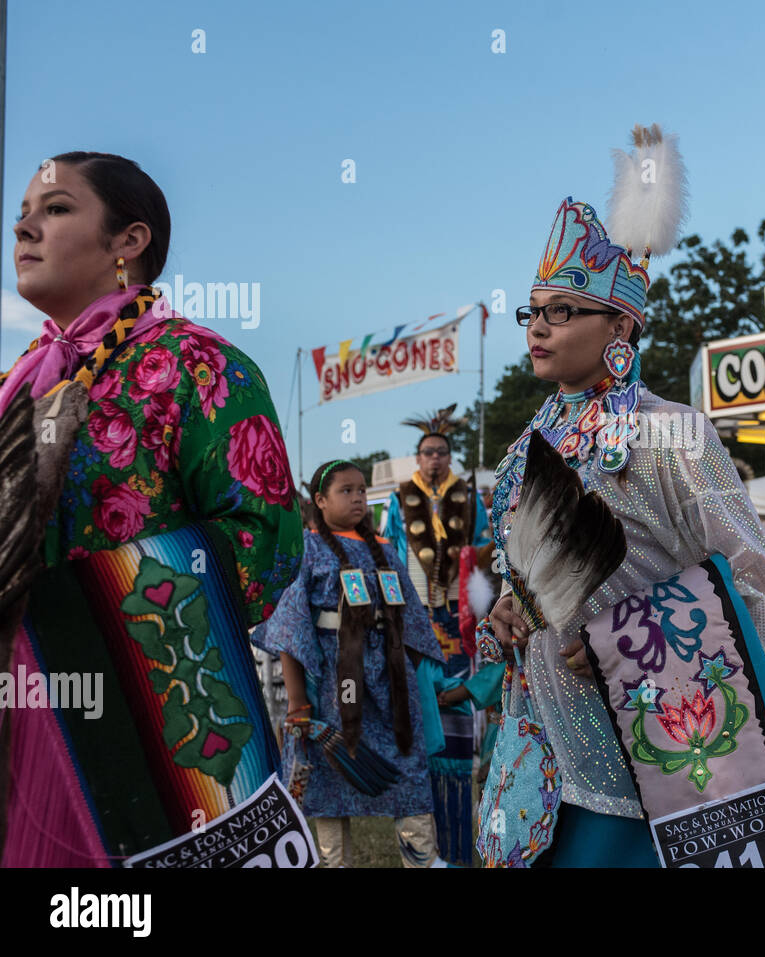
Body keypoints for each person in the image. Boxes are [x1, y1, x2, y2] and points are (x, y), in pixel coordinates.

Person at [0, 151, 302, 866]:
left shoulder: (200, 366)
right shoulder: (15, 390)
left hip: (158, 729)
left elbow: (266, 540)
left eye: (56, 209)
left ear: (128, 241)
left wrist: (89, 613)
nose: (24, 230)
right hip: (21, 725)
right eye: (20, 218)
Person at [478, 186, 765, 867]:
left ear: (620, 327)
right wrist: (511, 607)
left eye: (561, 311)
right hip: (540, 758)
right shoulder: (521, 450)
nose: (538, 327)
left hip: (659, 764)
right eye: (531, 312)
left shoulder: (671, 432)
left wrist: (623, 643)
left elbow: (761, 586)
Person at [254, 460, 444, 867]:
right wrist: (297, 701)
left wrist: (412, 681)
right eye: (346, 490)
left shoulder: (386, 550)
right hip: (333, 689)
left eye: (362, 490)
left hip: (391, 689)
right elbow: (290, 631)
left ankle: (423, 861)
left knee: (409, 778)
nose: (358, 497)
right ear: (319, 500)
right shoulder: (306, 549)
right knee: (328, 787)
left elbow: (412, 622)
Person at [381, 415, 491, 866]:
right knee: (418, 727)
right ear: (419, 457)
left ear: (449, 457)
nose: (435, 459)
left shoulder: (467, 498)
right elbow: (389, 551)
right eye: (428, 453)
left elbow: (484, 549)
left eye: (442, 453)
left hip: (457, 620)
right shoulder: (398, 497)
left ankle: (459, 850)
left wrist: (473, 587)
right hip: (415, 622)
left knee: (458, 731)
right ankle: (423, 851)